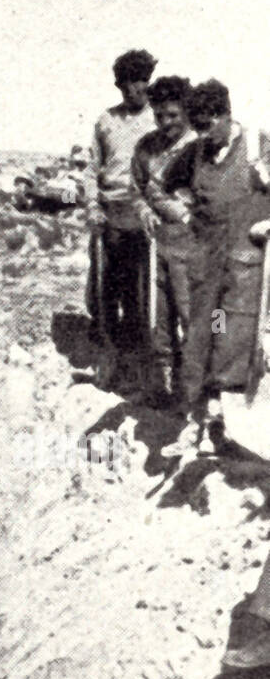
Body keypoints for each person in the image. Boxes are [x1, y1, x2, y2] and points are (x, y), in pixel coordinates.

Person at [163, 80, 270, 455]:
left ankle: (227, 426)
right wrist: (184, 211)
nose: (202, 134)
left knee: (237, 348)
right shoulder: (194, 155)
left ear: (226, 115)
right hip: (208, 269)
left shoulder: (259, 147)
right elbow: (163, 185)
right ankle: (201, 421)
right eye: (197, 127)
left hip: (245, 272)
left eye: (208, 126)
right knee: (206, 335)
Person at [86, 48, 158, 392]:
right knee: (104, 294)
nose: (137, 88)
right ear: (120, 85)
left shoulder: (159, 120)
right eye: (130, 82)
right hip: (109, 218)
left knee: (143, 297)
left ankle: (143, 370)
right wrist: (91, 206)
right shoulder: (106, 121)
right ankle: (109, 359)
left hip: (145, 219)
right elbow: (91, 170)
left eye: (143, 80)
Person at [130, 75, 196, 408]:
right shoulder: (146, 147)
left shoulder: (201, 146)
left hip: (193, 246)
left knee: (194, 317)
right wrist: (143, 209)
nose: (165, 123)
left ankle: (196, 398)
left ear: (186, 110)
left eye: (172, 115)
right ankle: (160, 389)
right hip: (158, 244)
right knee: (158, 317)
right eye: (159, 116)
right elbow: (137, 189)